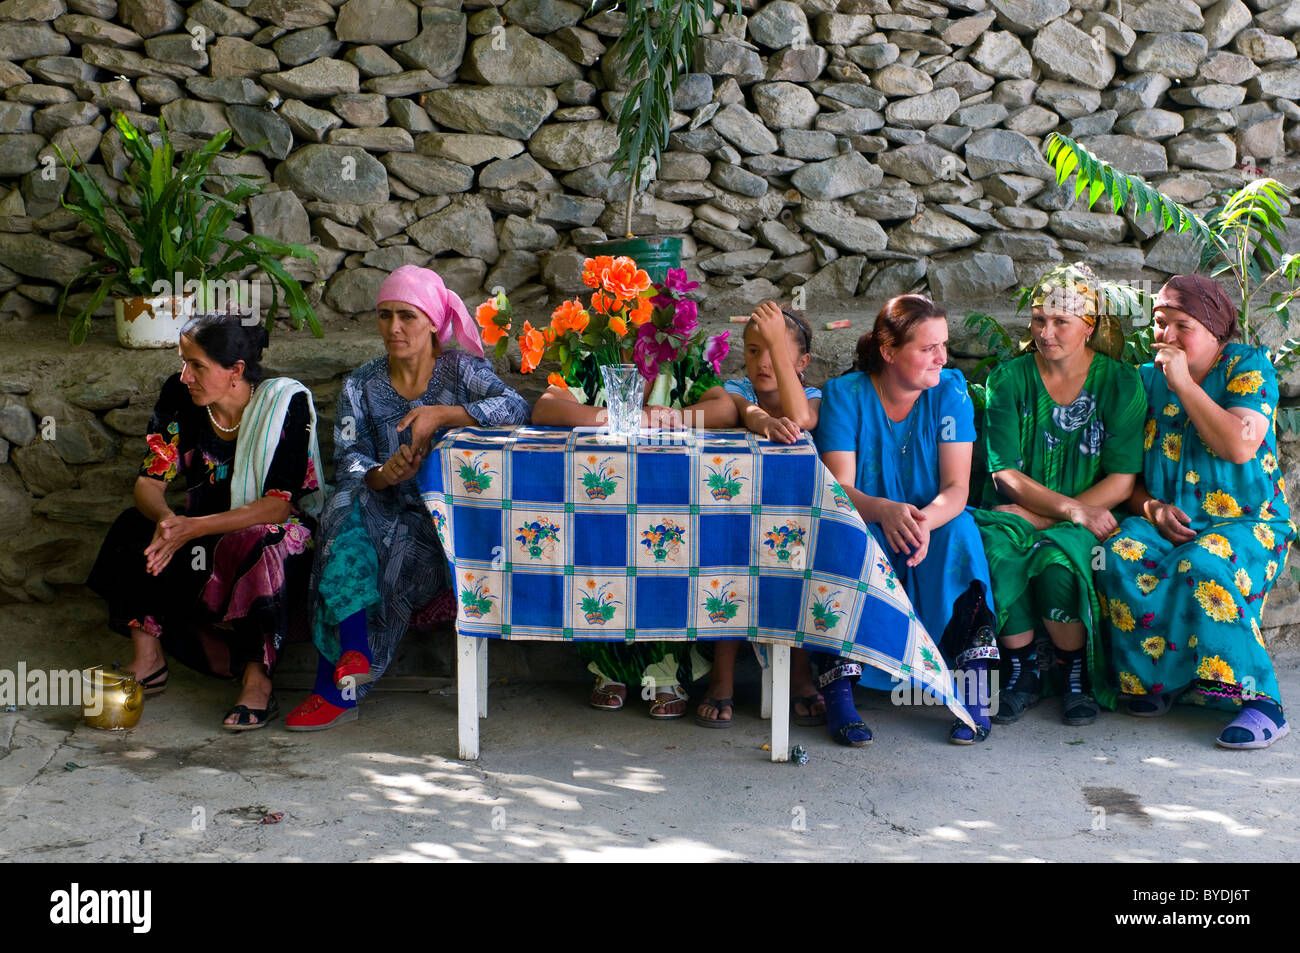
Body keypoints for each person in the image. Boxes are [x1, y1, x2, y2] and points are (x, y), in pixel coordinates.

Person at [285, 266, 530, 730]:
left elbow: (518, 409)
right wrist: (383, 474)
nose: (393, 328)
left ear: (433, 322)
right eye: (384, 316)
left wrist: (441, 414)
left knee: (387, 545)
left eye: (407, 316)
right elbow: (349, 461)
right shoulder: (361, 385)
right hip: (371, 508)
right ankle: (351, 655)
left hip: (441, 526)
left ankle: (335, 685)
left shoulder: (462, 372)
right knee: (341, 506)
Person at [87, 314, 325, 730]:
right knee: (133, 527)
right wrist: (166, 520)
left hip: (274, 533)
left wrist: (191, 529)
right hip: (200, 531)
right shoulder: (179, 397)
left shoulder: (284, 403)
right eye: (183, 361)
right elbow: (149, 481)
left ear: (234, 371)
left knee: (261, 541)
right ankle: (149, 661)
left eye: (197, 365)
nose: (186, 375)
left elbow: (278, 506)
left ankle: (257, 681)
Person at [1098, 274, 1294, 749]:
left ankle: (1259, 701)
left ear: (1214, 330)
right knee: (1117, 553)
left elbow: (1239, 445)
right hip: (1170, 519)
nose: (1164, 335)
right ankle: (1161, 683)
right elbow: (1127, 477)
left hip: (1249, 523)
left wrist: (1184, 384)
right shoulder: (1146, 380)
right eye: (1159, 323)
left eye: (1180, 325)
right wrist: (1152, 507)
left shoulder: (1247, 366)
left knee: (1200, 563)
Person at [816, 294, 998, 744]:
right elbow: (840, 490)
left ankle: (975, 696)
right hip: (868, 517)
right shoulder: (846, 396)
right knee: (838, 534)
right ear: (889, 351)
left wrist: (923, 523)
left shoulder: (951, 391)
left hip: (931, 523)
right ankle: (840, 698)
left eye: (944, 345)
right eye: (927, 348)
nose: (941, 357)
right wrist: (883, 510)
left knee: (961, 531)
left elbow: (957, 489)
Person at [973, 262, 1146, 728]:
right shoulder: (1007, 380)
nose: (1046, 332)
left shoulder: (1121, 382)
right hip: (1028, 510)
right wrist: (1071, 510)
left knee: (1059, 562)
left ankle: (1074, 676)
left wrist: (1057, 518)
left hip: (1089, 514)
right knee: (995, 549)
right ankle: (1021, 671)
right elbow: (1003, 473)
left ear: (1089, 326)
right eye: (1038, 320)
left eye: (1061, 321)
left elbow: (1123, 480)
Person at [532, 336, 737, 720]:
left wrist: (675, 417)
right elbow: (545, 408)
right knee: (601, 564)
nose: (643, 332)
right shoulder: (592, 359)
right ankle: (609, 668)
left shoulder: (683, 361)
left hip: (672, 504)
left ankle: (665, 672)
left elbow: (724, 410)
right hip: (603, 500)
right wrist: (617, 417)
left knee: (668, 564)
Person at [694, 301, 826, 729]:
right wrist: (761, 421)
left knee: (798, 570)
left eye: (773, 350)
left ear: (801, 364)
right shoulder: (737, 388)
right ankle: (723, 674)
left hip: (795, 521)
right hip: (736, 517)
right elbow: (744, 411)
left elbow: (800, 418)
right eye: (753, 350)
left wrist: (775, 416)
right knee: (730, 563)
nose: (762, 361)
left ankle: (801, 673)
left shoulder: (812, 396)